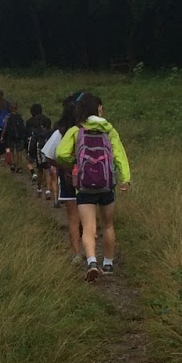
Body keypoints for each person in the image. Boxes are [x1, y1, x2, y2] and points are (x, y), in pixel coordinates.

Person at [53, 92, 131, 281]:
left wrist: (74, 162)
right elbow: (120, 155)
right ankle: (109, 264)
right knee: (108, 225)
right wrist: (125, 178)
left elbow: (60, 153)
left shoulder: (75, 130)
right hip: (106, 186)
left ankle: (92, 262)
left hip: (84, 187)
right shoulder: (109, 130)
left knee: (89, 227)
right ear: (98, 108)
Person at [40, 99, 82, 258]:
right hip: (89, 180)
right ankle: (91, 253)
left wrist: (62, 165)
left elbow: (48, 155)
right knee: (88, 218)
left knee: (72, 218)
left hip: (68, 179)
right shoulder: (87, 131)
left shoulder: (60, 133)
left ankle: (76, 254)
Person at [2, 103, 26, 172]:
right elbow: (23, 127)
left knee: (12, 150)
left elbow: (5, 127)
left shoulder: (8, 117)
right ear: (17, 108)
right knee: (19, 151)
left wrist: (2, 136)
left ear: (10, 108)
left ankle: (13, 164)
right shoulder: (20, 117)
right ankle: (20, 167)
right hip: (20, 136)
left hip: (11, 136)